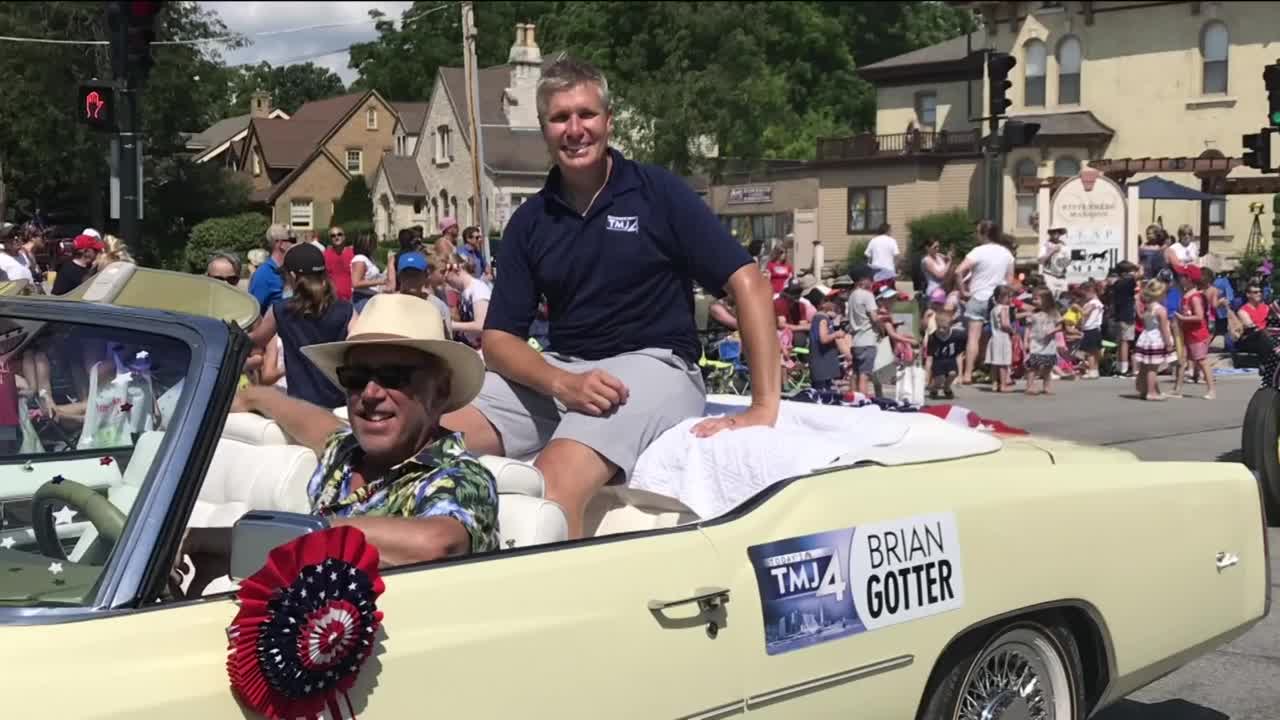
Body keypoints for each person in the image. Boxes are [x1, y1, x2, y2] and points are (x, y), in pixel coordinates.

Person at [440, 55, 779, 539]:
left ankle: (564, 607)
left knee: (550, 488)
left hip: (655, 365)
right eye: (560, 118)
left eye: (586, 115)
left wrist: (763, 406)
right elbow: (498, 341)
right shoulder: (531, 221)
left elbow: (747, 281)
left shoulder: (657, 193)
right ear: (543, 129)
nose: (575, 129)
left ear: (608, 121)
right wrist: (561, 382)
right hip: (565, 369)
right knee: (431, 444)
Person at [178, 294, 498, 595]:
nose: (370, 393)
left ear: (439, 391)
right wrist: (256, 396)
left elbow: (438, 544)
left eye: (393, 376)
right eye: (356, 377)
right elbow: (314, 422)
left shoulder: (460, 476)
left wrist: (282, 539)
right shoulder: (345, 452)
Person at [248, 243, 358, 409]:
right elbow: (358, 343)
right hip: (341, 405)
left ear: (292, 276)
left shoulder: (281, 310)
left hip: (301, 407)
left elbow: (256, 340)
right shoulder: (347, 309)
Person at [955, 220, 1015, 384]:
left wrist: (963, 291)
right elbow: (1009, 280)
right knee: (1000, 336)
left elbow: (958, 271)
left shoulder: (977, 252)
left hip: (978, 296)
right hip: (998, 299)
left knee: (973, 337)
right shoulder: (1006, 253)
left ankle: (968, 373)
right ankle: (1002, 375)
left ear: (983, 234)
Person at [1174, 265, 1215, 400]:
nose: (1181, 278)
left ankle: (1211, 390)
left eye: (1184, 276)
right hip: (1187, 332)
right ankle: (1177, 389)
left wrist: (1182, 318)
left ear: (1190, 279)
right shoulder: (1186, 295)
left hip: (1197, 334)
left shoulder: (1195, 297)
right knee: (1182, 361)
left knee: (1202, 361)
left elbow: (1199, 316)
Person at [1134, 279, 1177, 401]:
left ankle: (1144, 389)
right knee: (1153, 368)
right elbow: (1164, 329)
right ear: (1160, 294)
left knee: (1144, 367)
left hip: (1146, 337)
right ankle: (1151, 392)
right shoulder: (1161, 310)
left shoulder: (1149, 307)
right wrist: (1168, 343)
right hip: (1156, 339)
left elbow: (1142, 318)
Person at [394, 251, 453, 339]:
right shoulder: (390, 304)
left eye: (416, 274)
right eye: (406, 274)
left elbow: (447, 340)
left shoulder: (437, 306)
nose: (411, 279)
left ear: (425, 276)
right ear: (399, 277)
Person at [444, 254, 492, 349]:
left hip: (484, 351)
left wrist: (452, 325)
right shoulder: (465, 292)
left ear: (456, 270)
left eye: (447, 279)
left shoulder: (478, 289)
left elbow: (481, 325)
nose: (447, 283)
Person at [248, 224, 296, 313]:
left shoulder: (290, 270)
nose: (295, 244)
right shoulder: (263, 274)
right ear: (280, 243)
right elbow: (254, 312)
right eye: (292, 240)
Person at [1024, 288, 1062, 396]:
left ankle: (1047, 386)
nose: (1034, 301)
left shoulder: (1054, 313)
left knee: (1048, 366)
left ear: (1046, 300)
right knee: (1034, 366)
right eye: (1033, 299)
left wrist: (1053, 330)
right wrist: (1026, 340)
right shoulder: (1032, 313)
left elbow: (1060, 325)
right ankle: (1029, 386)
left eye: (1036, 299)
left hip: (1049, 343)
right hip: (1036, 342)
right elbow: (1028, 327)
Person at [925, 308, 964, 399]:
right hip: (938, 361)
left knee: (953, 374)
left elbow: (959, 355)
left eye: (944, 328)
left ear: (950, 325)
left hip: (951, 360)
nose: (941, 330)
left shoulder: (957, 336)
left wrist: (961, 374)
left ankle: (947, 387)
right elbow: (929, 357)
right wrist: (927, 377)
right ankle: (934, 389)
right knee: (940, 379)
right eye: (939, 327)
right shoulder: (933, 338)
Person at [1111, 261, 1139, 377]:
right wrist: (1137, 269)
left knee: (1120, 341)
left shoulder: (1117, 283)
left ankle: (1119, 366)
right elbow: (1139, 274)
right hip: (1127, 315)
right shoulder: (1129, 281)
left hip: (1119, 314)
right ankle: (1124, 368)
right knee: (1125, 342)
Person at [986, 285, 1014, 392]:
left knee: (995, 363)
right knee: (1003, 364)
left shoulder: (993, 309)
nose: (1010, 299)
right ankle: (1003, 385)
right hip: (1002, 338)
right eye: (1009, 297)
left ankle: (994, 384)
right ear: (1002, 297)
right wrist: (1012, 330)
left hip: (994, 338)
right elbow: (1005, 324)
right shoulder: (1004, 308)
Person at [349, 232, 385, 312]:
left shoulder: (368, 258)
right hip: (362, 299)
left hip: (371, 298)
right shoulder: (360, 259)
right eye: (373, 242)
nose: (375, 245)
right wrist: (380, 281)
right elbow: (356, 283)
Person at [1079, 280, 1104, 379]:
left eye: (1084, 293)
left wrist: (1077, 308)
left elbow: (1085, 313)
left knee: (1090, 352)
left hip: (1091, 329)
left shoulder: (1093, 303)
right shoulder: (1096, 302)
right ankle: (1095, 370)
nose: (1083, 296)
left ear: (1090, 291)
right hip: (1094, 329)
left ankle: (1092, 370)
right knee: (1094, 352)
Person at [324, 225, 355, 302]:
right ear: (330, 239)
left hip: (352, 298)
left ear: (344, 237)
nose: (336, 237)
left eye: (339, 234)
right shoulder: (324, 255)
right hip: (332, 298)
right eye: (333, 235)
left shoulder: (353, 253)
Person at [1039, 225, 1071, 298]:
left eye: (1058, 232)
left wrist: (1065, 262)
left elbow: (1067, 261)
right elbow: (1040, 260)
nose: (1056, 234)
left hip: (1062, 277)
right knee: (1050, 298)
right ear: (1050, 233)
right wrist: (1052, 251)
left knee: (1064, 299)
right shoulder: (1045, 245)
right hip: (1049, 276)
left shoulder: (1064, 246)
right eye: (1053, 232)